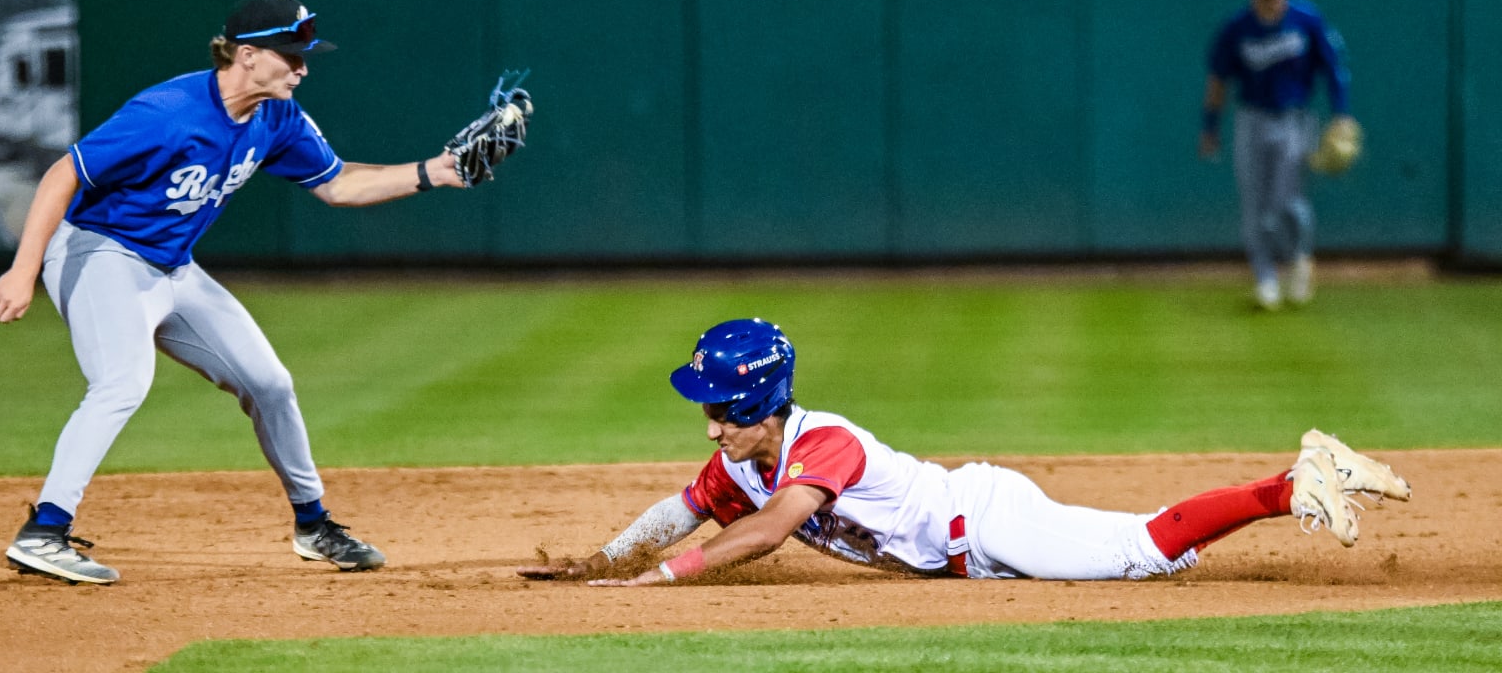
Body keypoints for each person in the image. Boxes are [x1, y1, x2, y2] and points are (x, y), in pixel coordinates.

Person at [0, 0, 473, 584]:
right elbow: (64, 173)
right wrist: (22, 270)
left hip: (173, 266)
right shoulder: (168, 111)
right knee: (121, 381)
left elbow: (338, 186)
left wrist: (434, 172)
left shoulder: (278, 115)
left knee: (270, 383)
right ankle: (44, 532)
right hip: (99, 250)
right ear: (245, 55)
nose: (302, 68)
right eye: (290, 55)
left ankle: (314, 525)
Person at [517, 319, 1411, 586]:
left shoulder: (817, 444)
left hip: (983, 520)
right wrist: (602, 559)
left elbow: (769, 533)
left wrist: (661, 580)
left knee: (1142, 555)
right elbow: (683, 510)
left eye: (721, 409)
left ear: (757, 403)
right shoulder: (744, 458)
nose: (710, 426)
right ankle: (1301, 473)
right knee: (1136, 553)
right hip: (968, 540)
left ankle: (1291, 483)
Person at [1199, 0, 1353, 311]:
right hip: (1251, 120)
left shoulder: (1306, 19)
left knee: (1289, 205)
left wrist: (1341, 115)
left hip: (1294, 120)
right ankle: (1266, 278)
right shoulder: (1237, 26)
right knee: (1255, 209)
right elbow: (1218, 80)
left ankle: (1299, 257)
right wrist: (1210, 127)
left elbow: (1335, 70)